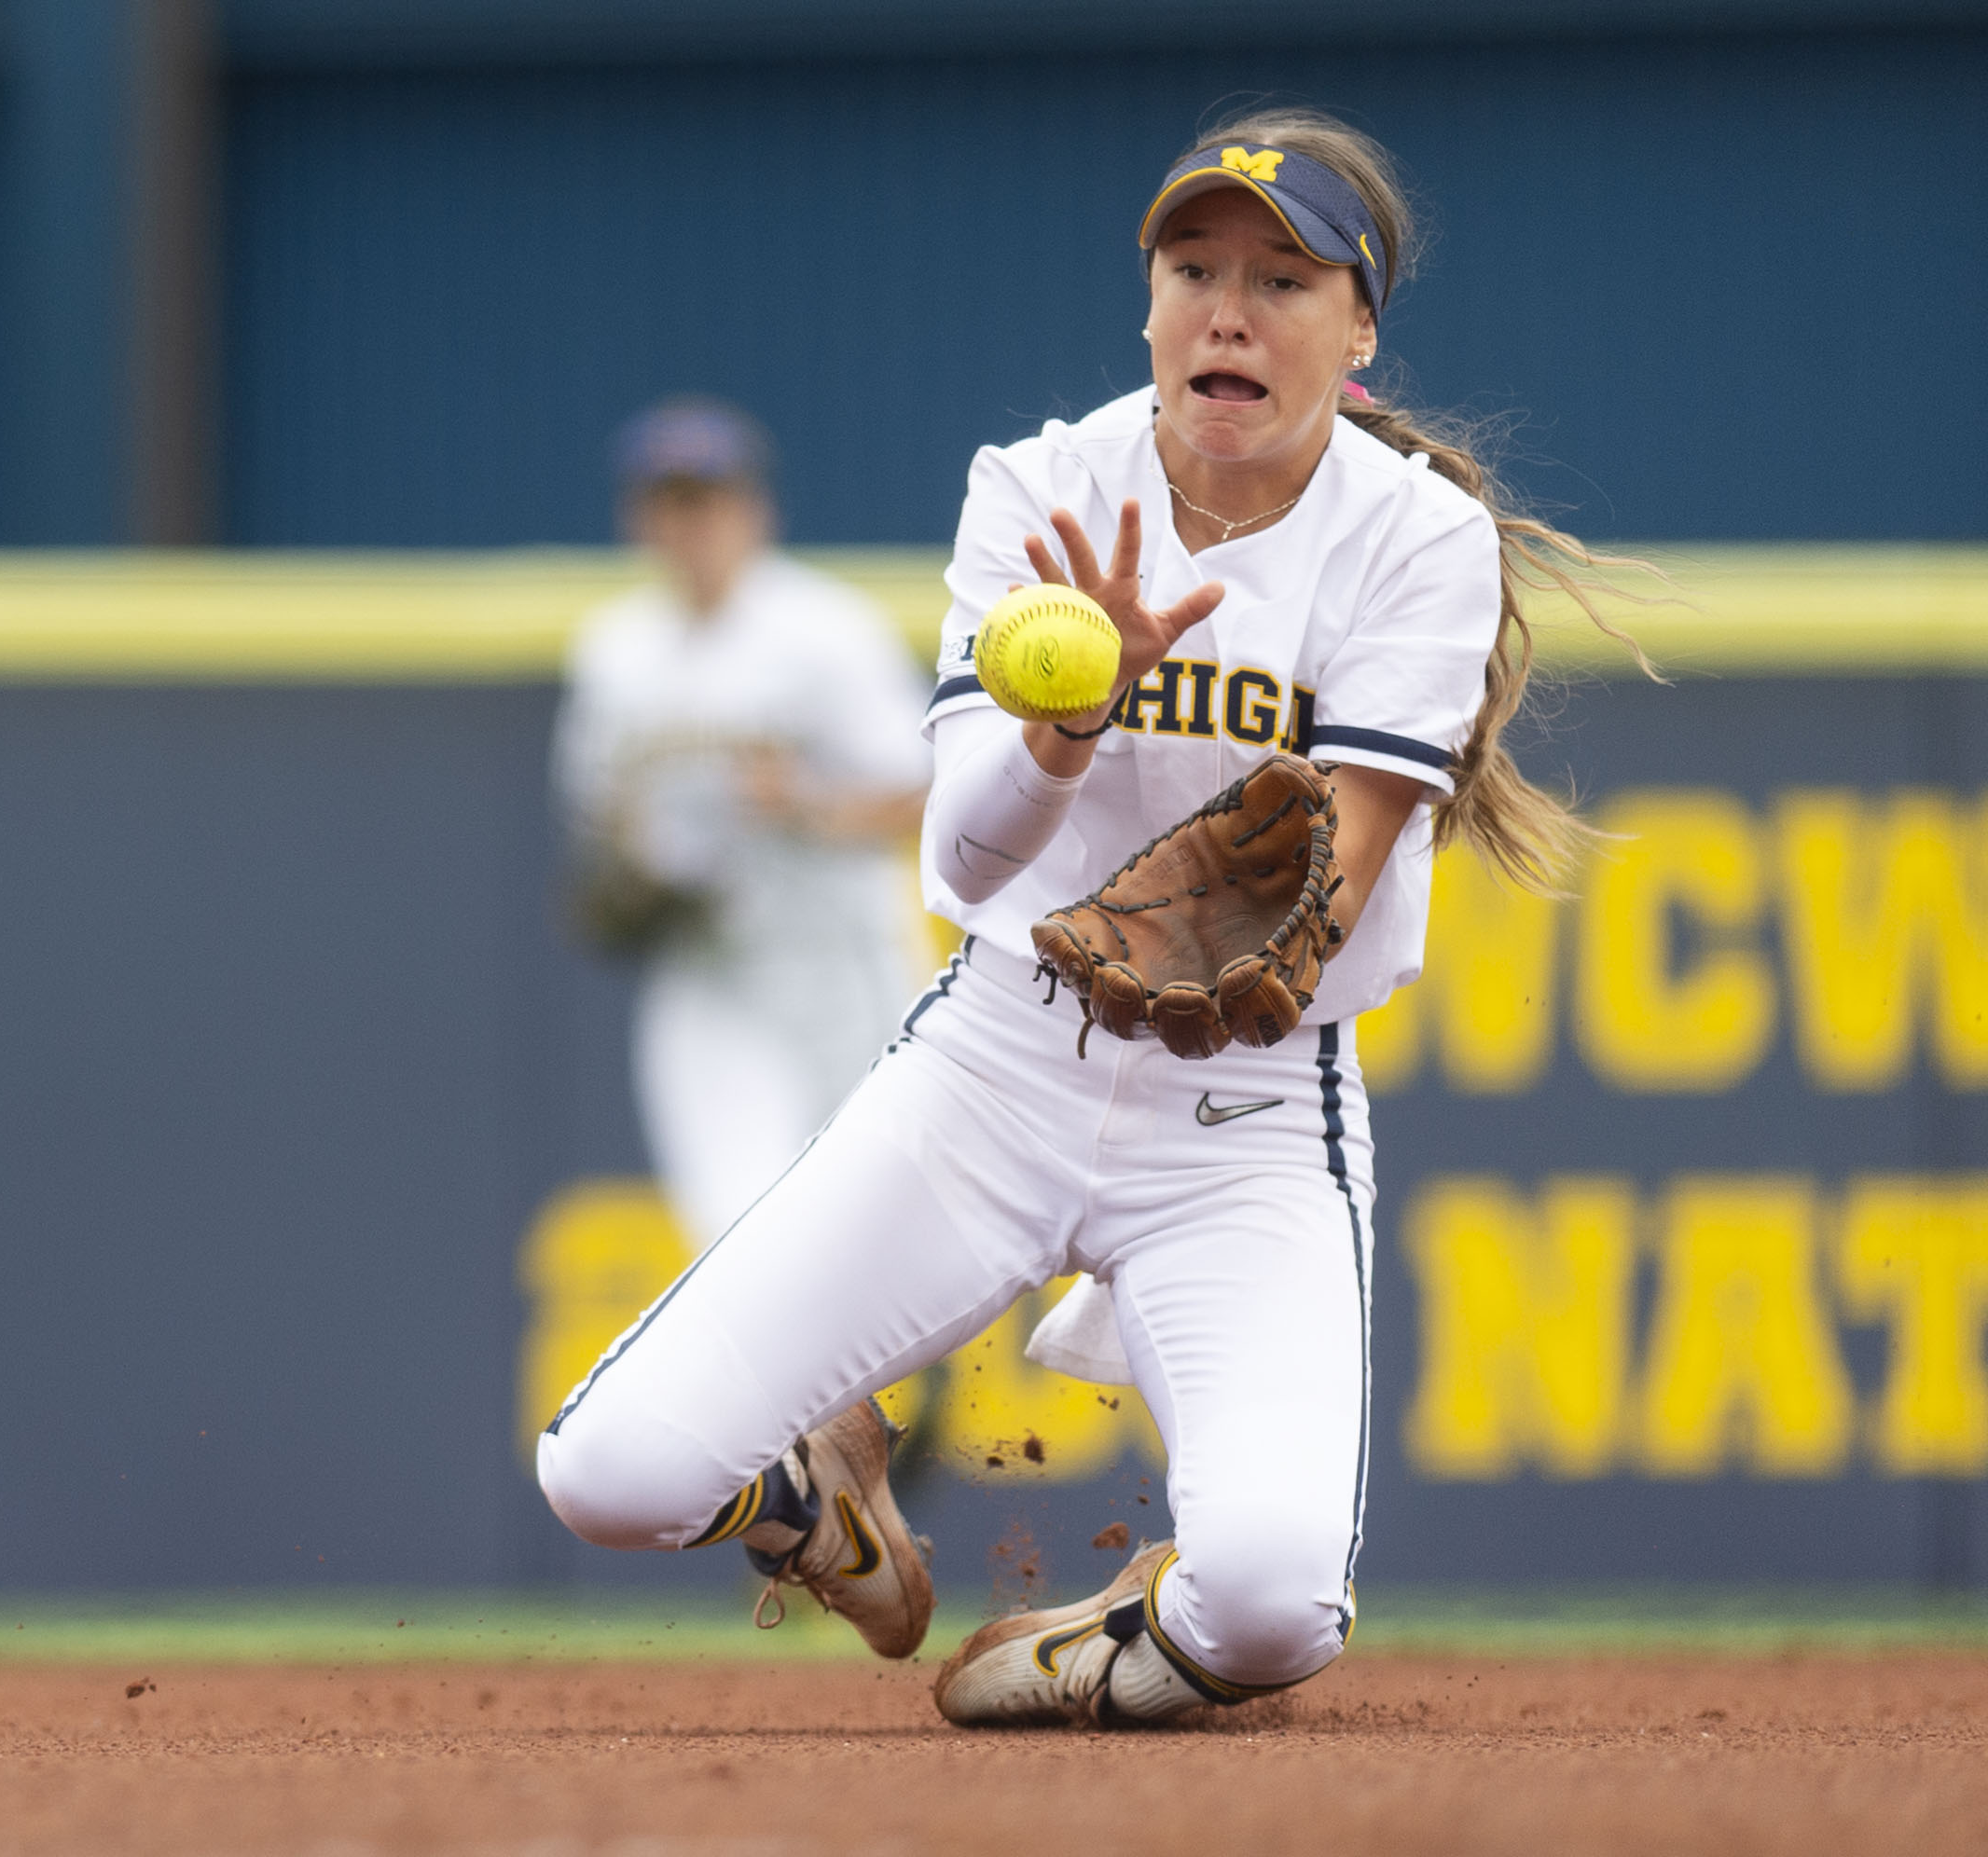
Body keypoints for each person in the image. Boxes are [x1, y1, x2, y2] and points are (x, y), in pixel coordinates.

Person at [534, 109, 1645, 1725]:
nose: (1228, 308)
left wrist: (1233, 917)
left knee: (1270, 1611)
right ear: (1148, 302)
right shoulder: (1043, 489)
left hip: (1245, 1116)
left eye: (1283, 278)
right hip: (998, 1064)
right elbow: (975, 867)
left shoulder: (1419, 536)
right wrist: (1062, 732)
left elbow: (1331, 869)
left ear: (1359, 328)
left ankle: (1107, 1646)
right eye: (1193, 266)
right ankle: (822, 1505)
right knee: (614, 1474)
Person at [555, 400, 933, 1254]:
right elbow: (593, 823)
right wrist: (623, 877)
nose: (692, 523)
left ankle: (908, 1390)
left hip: (840, 971)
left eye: (710, 498)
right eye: (670, 501)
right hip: (708, 980)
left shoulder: (825, 632)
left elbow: (930, 794)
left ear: (757, 511)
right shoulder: (613, 654)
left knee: (862, 1233)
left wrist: (805, 802)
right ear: (638, 520)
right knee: (735, 1235)